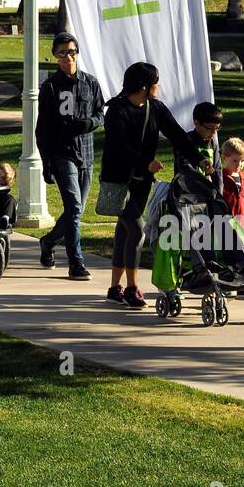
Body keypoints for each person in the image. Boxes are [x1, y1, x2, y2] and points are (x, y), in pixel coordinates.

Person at [101, 62, 209, 308]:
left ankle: (114, 288)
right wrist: (145, 164)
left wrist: (199, 159)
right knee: (137, 231)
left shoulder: (156, 108)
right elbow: (119, 147)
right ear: (144, 86)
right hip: (117, 182)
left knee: (124, 232)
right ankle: (132, 289)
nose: (158, 87)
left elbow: (178, 136)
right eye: (156, 83)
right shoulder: (117, 110)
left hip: (141, 183)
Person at [35, 31, 105, 279]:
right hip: (62, 153)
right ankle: (76, 262)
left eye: (72, 52)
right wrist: (46, 163)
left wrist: (88, 124)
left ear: (77, 53)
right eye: (63, 53)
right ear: (55, 55)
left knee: (77, 210)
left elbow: (101, 114)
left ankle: (49, 241)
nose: (68, 57)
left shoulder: (91, 82)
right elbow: (41, 128)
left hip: (86, 152)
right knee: (74, 206)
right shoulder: (50, 87)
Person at [174, 100, 224, 194]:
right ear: (196, 123)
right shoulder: (185, 141)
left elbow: (218, 170)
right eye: (209, 128)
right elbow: (185, 167)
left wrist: (219, 195)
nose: (214, 132)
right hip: (186, 195)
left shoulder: (213, 143)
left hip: (208, 194)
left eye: (217, 128)